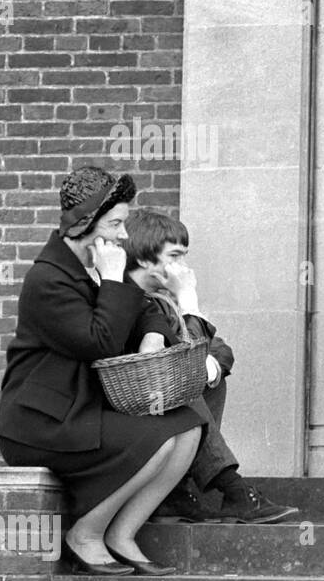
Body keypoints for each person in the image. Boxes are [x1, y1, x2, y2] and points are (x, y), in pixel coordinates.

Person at [0, 166, 206, 576]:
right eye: (115, 224)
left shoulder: (92, 269)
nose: (123, 235)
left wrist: (153, 337)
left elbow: (143, 310)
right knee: (158, 438)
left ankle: (122, 534)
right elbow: (99, 342)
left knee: (188, 426)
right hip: (40, 421)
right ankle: (85, 533)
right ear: (87, 224)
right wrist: (111, 280)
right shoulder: (48, 280)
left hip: (81, 409)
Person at [122, 209, 298, 524]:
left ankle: (177, 492)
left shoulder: (162, 302)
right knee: (186, 379)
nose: (184, 269)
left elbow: (219, 347)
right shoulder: (128, 301)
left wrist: (210, 368)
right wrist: (188, 298)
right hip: (127, 417)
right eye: (175, 256)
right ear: (146, 258)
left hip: (160, 415)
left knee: (209, 377)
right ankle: (234, 489)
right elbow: (180, 361)